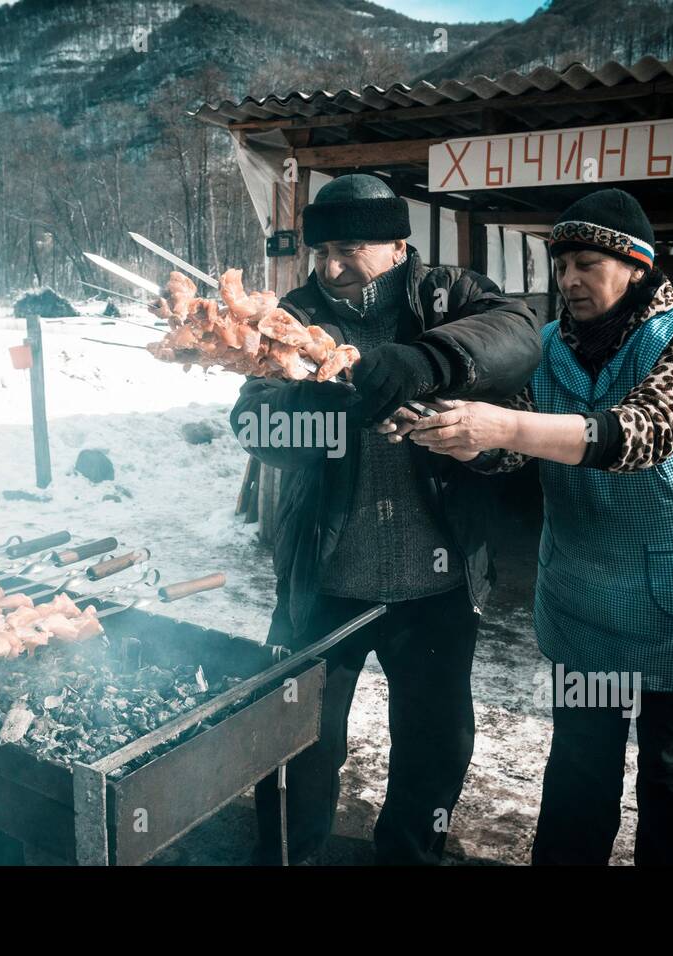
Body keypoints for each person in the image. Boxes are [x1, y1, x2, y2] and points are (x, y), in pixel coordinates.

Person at [384, 187, 673, 865]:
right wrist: (450, 429)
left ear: (637, 267)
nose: (568, 280)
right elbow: (509, 447)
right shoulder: (546, 349)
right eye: (561, 265)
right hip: (585, 607)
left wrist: (501, 424)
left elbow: (640, 434)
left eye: (587, 263)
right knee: (578, 772)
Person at [231, 174, 540, 864]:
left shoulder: (450, 296)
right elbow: (252, 424)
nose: (330, 267)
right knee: (297, 737)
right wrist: (334, 408)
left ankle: (410, 855)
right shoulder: (296, 314)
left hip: (437, 584)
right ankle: (290, 857)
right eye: (321, 252)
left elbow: (518, 335)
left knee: (434, 743)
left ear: (399, 241)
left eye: (349, 248)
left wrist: (425, 361)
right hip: (326, 575)